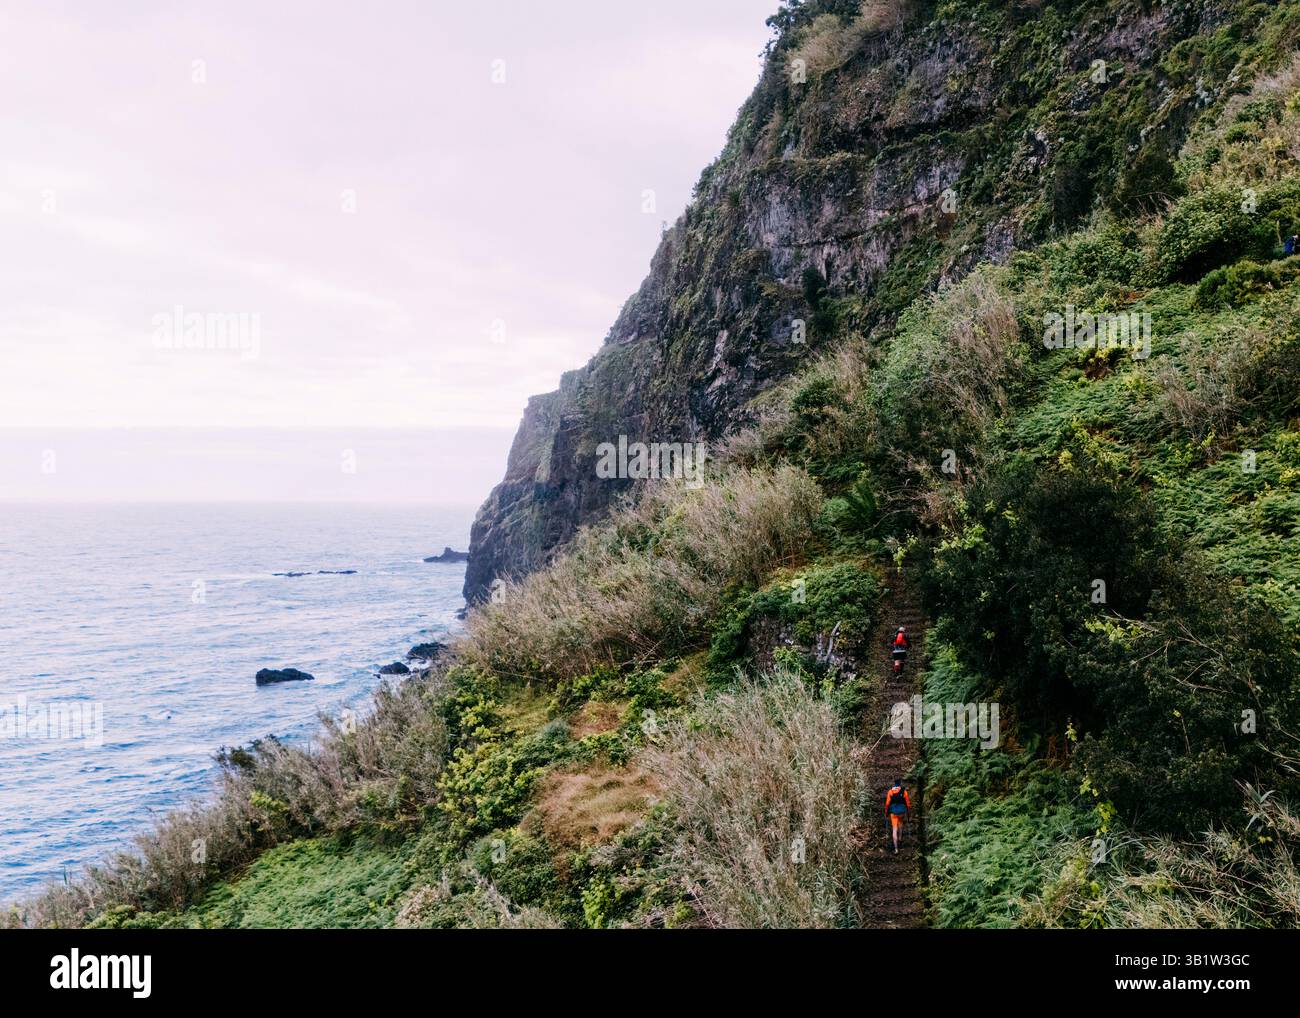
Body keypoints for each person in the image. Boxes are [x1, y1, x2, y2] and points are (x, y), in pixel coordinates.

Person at [884, 780, 911, 854]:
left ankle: (896, 849)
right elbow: (908, 803)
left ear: (894, 784)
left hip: (893, 813)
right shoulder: (904, 791)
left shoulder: (890, 792)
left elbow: (887, 804)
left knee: (894, 829)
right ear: (900, 784)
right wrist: (908, 811)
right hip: (902, 811)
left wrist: (886, 812)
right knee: (901, 823)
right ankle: (900, 838)